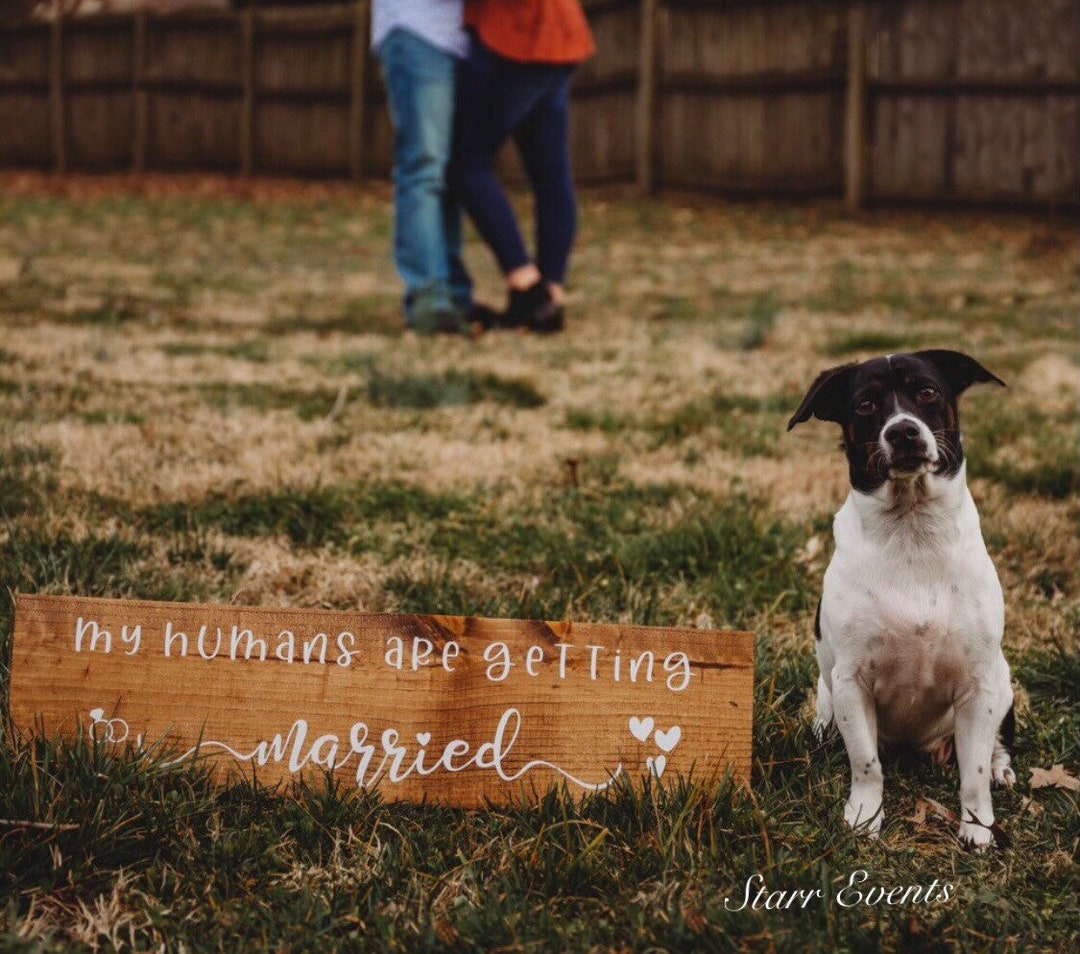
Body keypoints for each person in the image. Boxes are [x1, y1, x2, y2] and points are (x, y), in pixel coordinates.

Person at [450, 0, 595, 334]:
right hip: (561, 33)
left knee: (466, 163)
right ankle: (550, 297)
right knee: (551, 175)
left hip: (516, 34)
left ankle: (527, 284)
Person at [372, 1, 491, 335]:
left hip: (461, 40)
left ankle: (453, 293)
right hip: (416, 32)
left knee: (452, 172)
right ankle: (428, 296)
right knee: (424, 166)